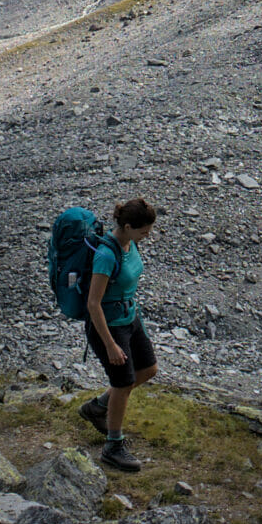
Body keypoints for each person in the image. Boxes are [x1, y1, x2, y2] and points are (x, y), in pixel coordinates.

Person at [77, 196, 160, 470]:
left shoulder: (130, 243)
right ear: (127, 227)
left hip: (129, 317)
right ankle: (112, 447)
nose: (148, 236)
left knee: (148, 370)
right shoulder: (105, 255)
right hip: (109, 326)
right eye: (144, 232)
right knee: (123, 384)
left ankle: (98, 406)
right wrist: (110, 345)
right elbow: (93, 304)